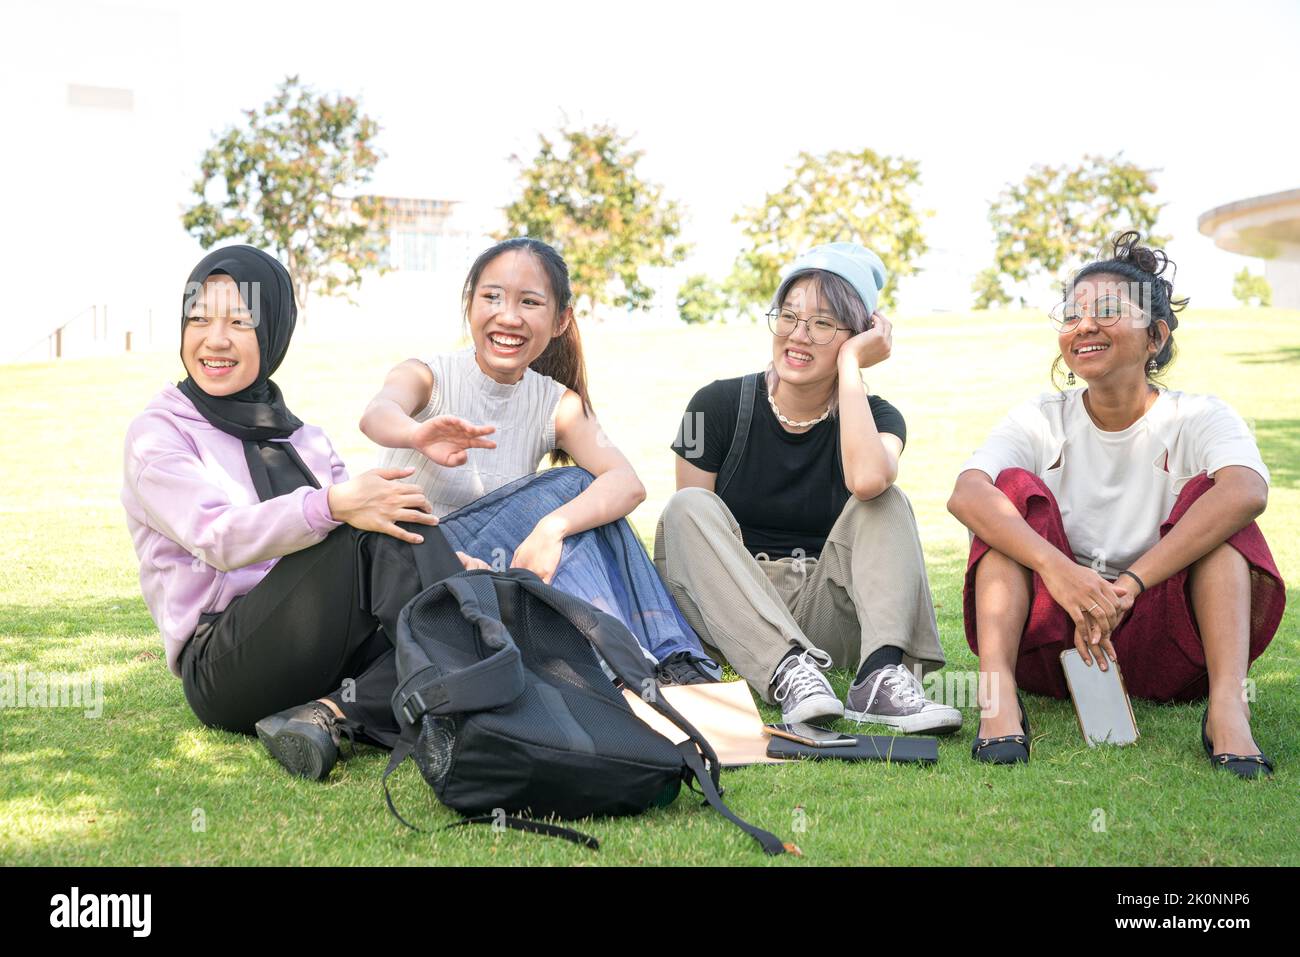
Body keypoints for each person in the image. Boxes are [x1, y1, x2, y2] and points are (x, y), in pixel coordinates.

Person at [122, 244, 498, 780]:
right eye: (199, 318)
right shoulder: (159, 434)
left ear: (274, 331)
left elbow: (367, 544)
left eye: (240, 321)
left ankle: (328, 714)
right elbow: (218, 537)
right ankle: (468, 709)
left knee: (473, 582)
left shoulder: (302, 437)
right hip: (225, 665)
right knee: (385, 540)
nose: (215, 339)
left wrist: (451, 565)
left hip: (320, 649)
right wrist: (332, 505)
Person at [947, 232, 1284, 777]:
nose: (1084, 325)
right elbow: (966, 494)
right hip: (1054, 646)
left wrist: (1127, 587)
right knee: (1004, 493)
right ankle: (998, 698)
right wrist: (1062, 575)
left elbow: (1248, 491)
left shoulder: (1198, 416)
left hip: (1165, 646)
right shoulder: (1043, 416)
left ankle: (1227, 709)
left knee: (1216, 502)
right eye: (1072, 314)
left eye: (1106, 311)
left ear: (1155, 336)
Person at [360, 237, 718, 686]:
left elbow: (628, 483)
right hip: (420, 560)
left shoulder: (555, 402)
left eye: (529, 302)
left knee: (590, 512)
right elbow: (376, 414)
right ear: (470, 304)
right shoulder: (427, 375)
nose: (508, 316)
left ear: (560, 320)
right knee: (572, 484)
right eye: (491, 297)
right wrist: (416, 433)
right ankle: (660, 657)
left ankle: (637, 662)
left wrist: (552, 530)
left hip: (491, 573)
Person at [655, 242, 960, 733]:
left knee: (885, 498)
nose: (799, 336)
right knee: (687, 506)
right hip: (732, 609)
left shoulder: (880, 417)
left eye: (823, 324)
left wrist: (851, 370)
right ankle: (785, 670)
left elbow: (866, 480)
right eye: (789, 317)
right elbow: (690, 544)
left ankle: (879, 676)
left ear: (858, 337)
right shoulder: (712, 406)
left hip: (826, 610)